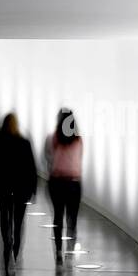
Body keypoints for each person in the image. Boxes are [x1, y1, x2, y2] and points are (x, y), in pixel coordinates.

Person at [0, 113, 38, 273]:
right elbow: (31, 168)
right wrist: (33, 189)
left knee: (4, 218)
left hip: (3, 187)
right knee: (18, 223)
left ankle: (7, 246)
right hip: (22, 189)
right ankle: (15, 252)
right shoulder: (24, 143)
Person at [44, 108, 84, 267]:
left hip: (57, 182)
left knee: (58, 217)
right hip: (74, 182)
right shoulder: (79, 140)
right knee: (72, 220)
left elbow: (48, 157)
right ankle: (70, 252)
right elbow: (79, 158)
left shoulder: (52, 138)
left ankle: (58, 253)